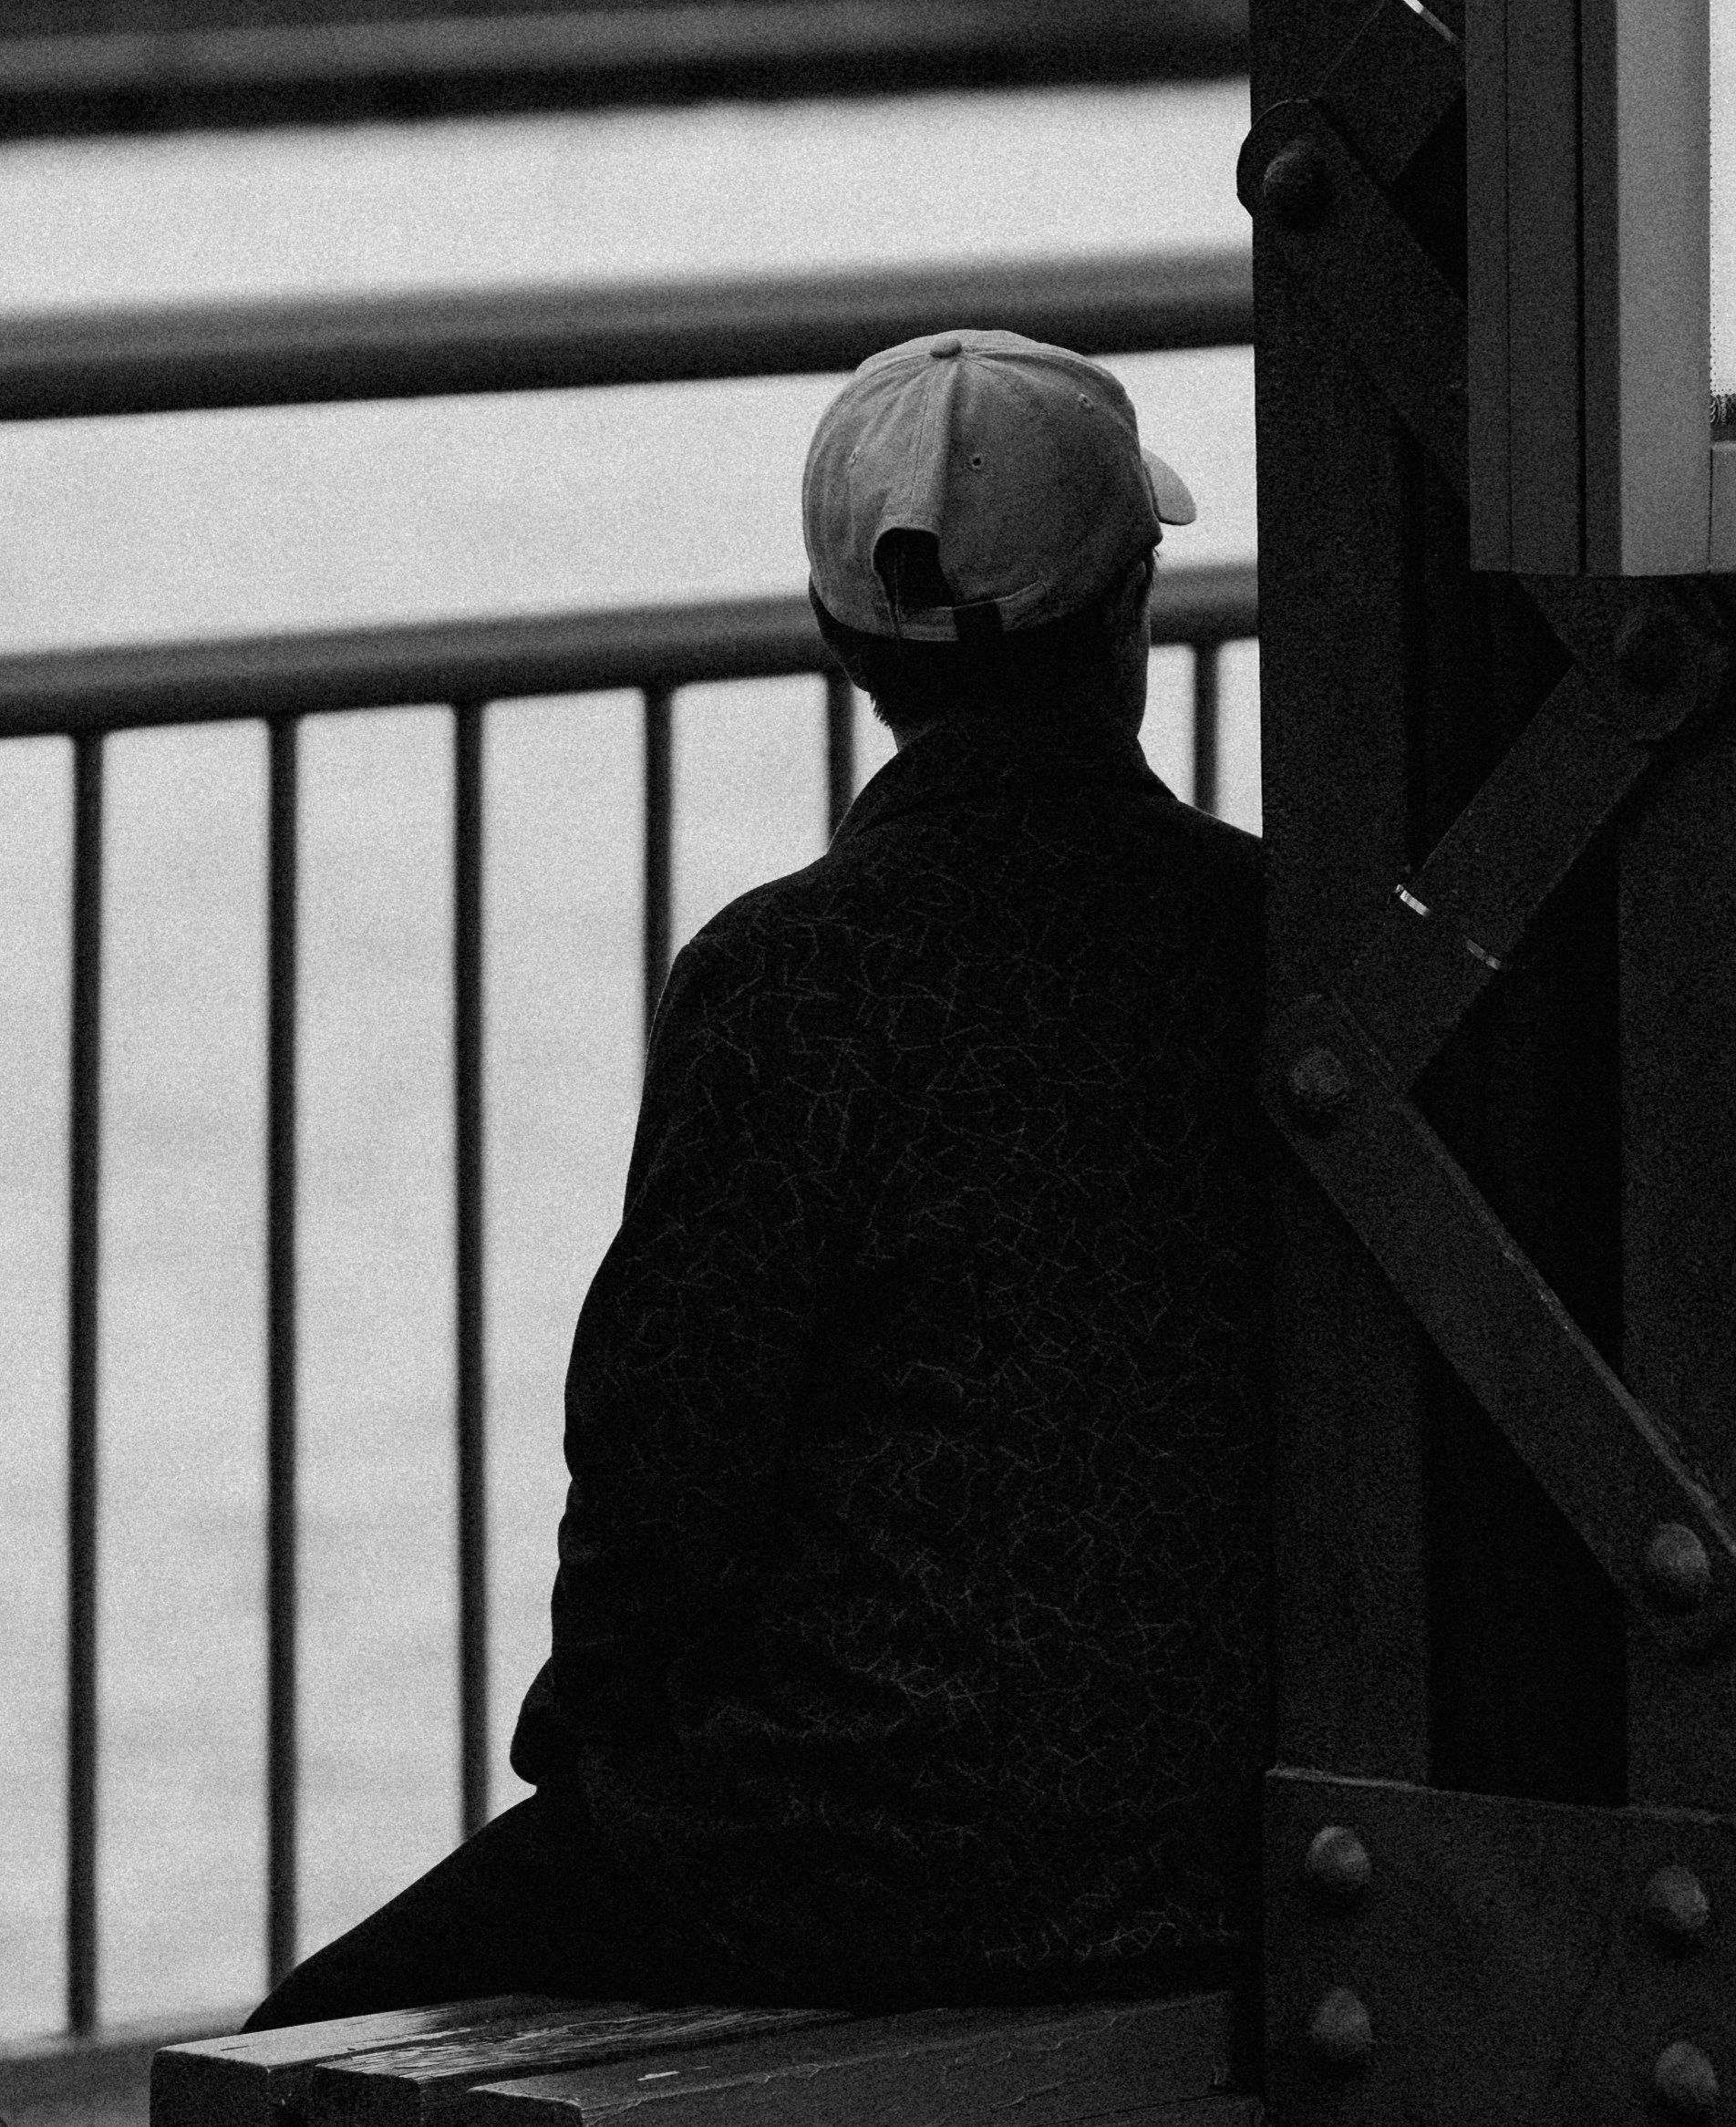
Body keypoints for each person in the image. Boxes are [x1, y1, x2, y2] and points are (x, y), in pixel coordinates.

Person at [253, 331, 1268, 2024]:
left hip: (857, 1852)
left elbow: (664, 1461)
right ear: (1130, 614)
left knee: (306, 2043)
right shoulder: (1262, 931)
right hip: (1222, 1828)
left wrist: (593, 1743)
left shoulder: (789, 977)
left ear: (840, 639)